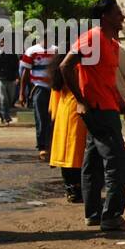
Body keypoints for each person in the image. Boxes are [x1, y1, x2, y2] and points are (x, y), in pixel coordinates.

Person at [59, 0, 125, 231]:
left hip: (107, 108)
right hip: (97, 109)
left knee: (93, 161)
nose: (122, 17)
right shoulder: (93, 37)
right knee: (117, 162)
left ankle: (93, 214)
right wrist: (81, 100)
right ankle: (112, 216)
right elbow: (65, 66)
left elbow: (108, 82)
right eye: (118, 14)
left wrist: (124, 110)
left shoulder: (111, 44)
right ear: (105, 17)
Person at [47, 54, 85, 204]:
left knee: (66, 154)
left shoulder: (58, 67)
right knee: (78, 153)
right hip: (78, 110)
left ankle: (71, 189)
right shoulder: (78, 67)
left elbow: (53, 99)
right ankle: (78, 189)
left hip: (63, 111)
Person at [20, 34, 57, 159]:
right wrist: (22, 94)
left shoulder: (56, 50)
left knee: (53, 118)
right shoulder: (31, 51)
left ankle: (51, 145)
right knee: (41, 118)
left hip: (54, 89)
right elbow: (25, 73)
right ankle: (42, 147)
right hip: (39, 87)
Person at [0, 41, 20, 124]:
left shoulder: (13, 55)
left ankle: (2, 113)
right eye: (2, 45)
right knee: (3, 98)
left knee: (10, 99)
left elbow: (17, 67)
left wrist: (17, 77)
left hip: (11, 79)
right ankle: (6, 116)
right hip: (0, 78)